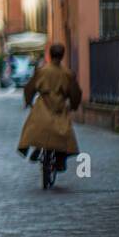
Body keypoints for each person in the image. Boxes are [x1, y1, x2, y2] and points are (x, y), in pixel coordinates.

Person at [18, 43, 82, 173]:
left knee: (34, 126)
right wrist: (73, 106)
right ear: (63, 55)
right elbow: (75, 93)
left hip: (43, 104)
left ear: (50, 54)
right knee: (65, 133)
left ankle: (35, 148)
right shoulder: (68, 74)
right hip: (59, 106)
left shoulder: (42, 71)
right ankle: (60, 160)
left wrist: (29, 102)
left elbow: (29, 88)